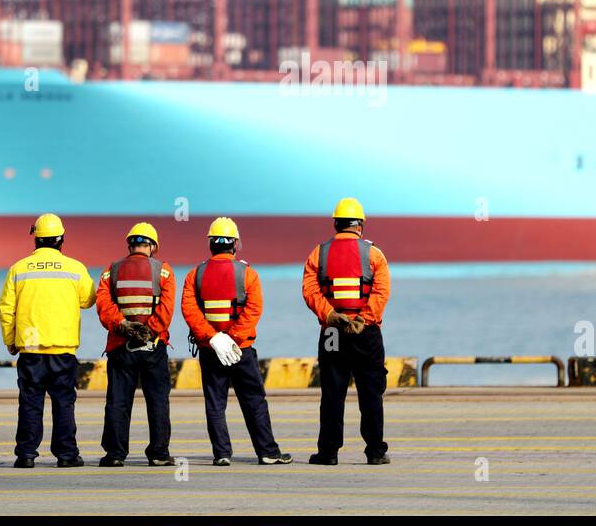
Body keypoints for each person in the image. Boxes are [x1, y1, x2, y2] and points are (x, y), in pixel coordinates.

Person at [180, 217, 292, 466]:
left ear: (211, 244)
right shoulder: (248, 274)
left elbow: (189, 310)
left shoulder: (194, 275)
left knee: (215, 403)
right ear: (235, 244)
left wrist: (214, 338)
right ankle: (268, 453)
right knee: (253, 400)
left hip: (210, 351)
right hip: (241, 350)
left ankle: (221, 454)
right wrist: (232, 339)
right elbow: (253, 311)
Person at [0, 212, 96, 468]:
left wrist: (11, 340)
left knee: (30, 402)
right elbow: (88, 300)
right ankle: (66, 456)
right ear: (61, 239)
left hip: (30, 349)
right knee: (64, 403)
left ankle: (26, 455)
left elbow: (6, 309)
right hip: (62, 348)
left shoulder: (18, 269)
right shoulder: (75, 268)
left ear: (36, 239)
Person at [301, 197, 392, 465]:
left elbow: (310, 290)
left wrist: (329, 314)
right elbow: (381, 291)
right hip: (366, 332)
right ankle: (375, 452)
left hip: (332, 332)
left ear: (336, 224)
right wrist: (364, 318)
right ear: (360, 225)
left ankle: (328, 453)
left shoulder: (319, 253)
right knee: (371, 393)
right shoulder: (374, 254)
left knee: (332, 392)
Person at [94, 221, 176, 468]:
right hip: (154, 346)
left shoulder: (112, 270)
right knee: (158, 400)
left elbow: (103, 305)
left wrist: (123, 325)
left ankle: (115, 454)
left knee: (118, 401)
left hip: (121, 346)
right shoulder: (163, 270)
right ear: (152, 246)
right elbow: (167, 308)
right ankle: (159, 454)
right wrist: (149, 332)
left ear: (130, 245)